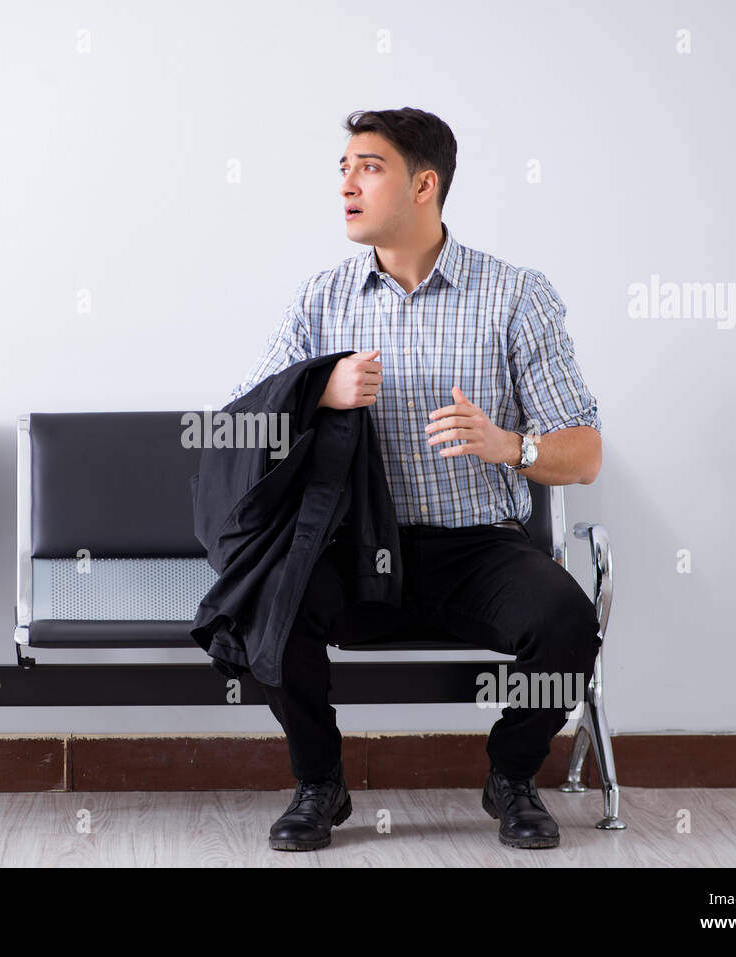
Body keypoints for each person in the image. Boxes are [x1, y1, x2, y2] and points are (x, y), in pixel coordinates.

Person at [229, 107, 605, 851]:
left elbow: (585, 451)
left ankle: (511, 775)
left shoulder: (516, 296)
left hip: (478, 550)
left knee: (568, 622)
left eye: (368, 166)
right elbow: (245, 428)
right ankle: (320, 781)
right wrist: (318, 390)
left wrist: (510, 445)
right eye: (343, 168)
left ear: (424, 184)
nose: (347, 183)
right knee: (266, 600)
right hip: (353, 548)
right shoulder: (320, 299)